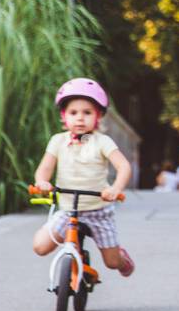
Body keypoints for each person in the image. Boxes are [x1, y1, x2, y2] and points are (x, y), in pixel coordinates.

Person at [32, 78, 135, 277]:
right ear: (64, 116)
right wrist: (42, 182)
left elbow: (123, 166)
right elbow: (45, 168)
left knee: (112, 262)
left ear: (98, 116)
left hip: (99, 210)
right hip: (68, 210)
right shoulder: (58, 141)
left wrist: (115, 189)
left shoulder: (102, 141)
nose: (80, 118)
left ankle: (122, 258)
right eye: (73, 113)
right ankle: (73, 256)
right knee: (40, 246)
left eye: (87, 113)